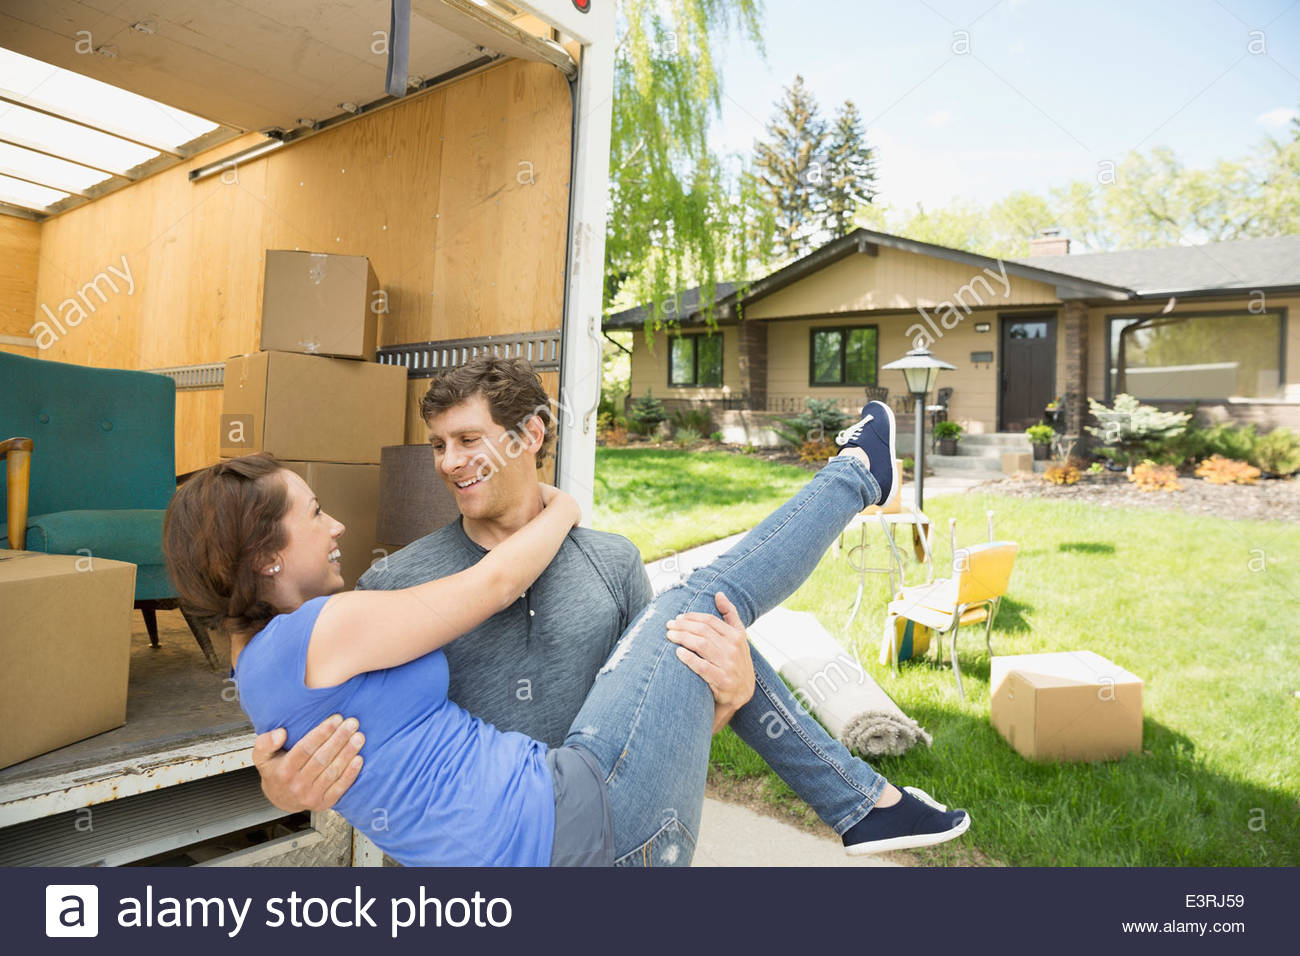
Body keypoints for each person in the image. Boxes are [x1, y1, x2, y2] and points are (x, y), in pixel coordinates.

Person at [164, 393, 970, 866]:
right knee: (704, 593)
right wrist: (566, 502)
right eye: (313, 514)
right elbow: (500, 580)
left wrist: (734, 690)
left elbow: (666, 689)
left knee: (701, 617)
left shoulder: (272, 648)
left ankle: (864, 804)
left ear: (531, 437)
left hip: (587, 809)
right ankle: (860, 474)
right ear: (265, 555)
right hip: (588, 830)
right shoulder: (373, 595)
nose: (336, 522)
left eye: (469, 440)